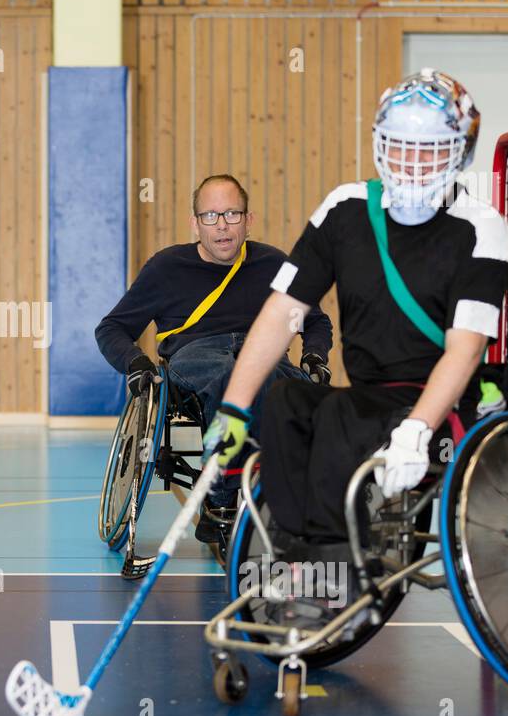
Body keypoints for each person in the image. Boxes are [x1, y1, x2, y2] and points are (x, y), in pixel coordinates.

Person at [203, 69, 508, 611]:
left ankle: (333, 562)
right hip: (370, 392)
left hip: (439, 397)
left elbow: (466, 347)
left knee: (343, 418)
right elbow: (282, 313)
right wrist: (232, 407)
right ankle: (301, 554)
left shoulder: (482, 228)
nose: (411, 166)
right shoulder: (345, 209)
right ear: (378, 146)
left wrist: (418, 430)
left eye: (430, 152)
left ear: (458, 154)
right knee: (287, 401)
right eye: (399, 149)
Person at [95, 173, 333, 538]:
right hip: (197, 355)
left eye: (232, 214)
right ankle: (223, 499)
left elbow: (315, 320)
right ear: (195, 224)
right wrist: (136, 363)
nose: (222, 226)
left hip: (264, 354)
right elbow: (111, 328)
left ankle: (286, 494)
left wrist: (315, 356)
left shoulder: (273, 264)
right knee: (231, 374)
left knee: (285, 386)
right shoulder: (166, 267)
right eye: (210, 216)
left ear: (248, 220)